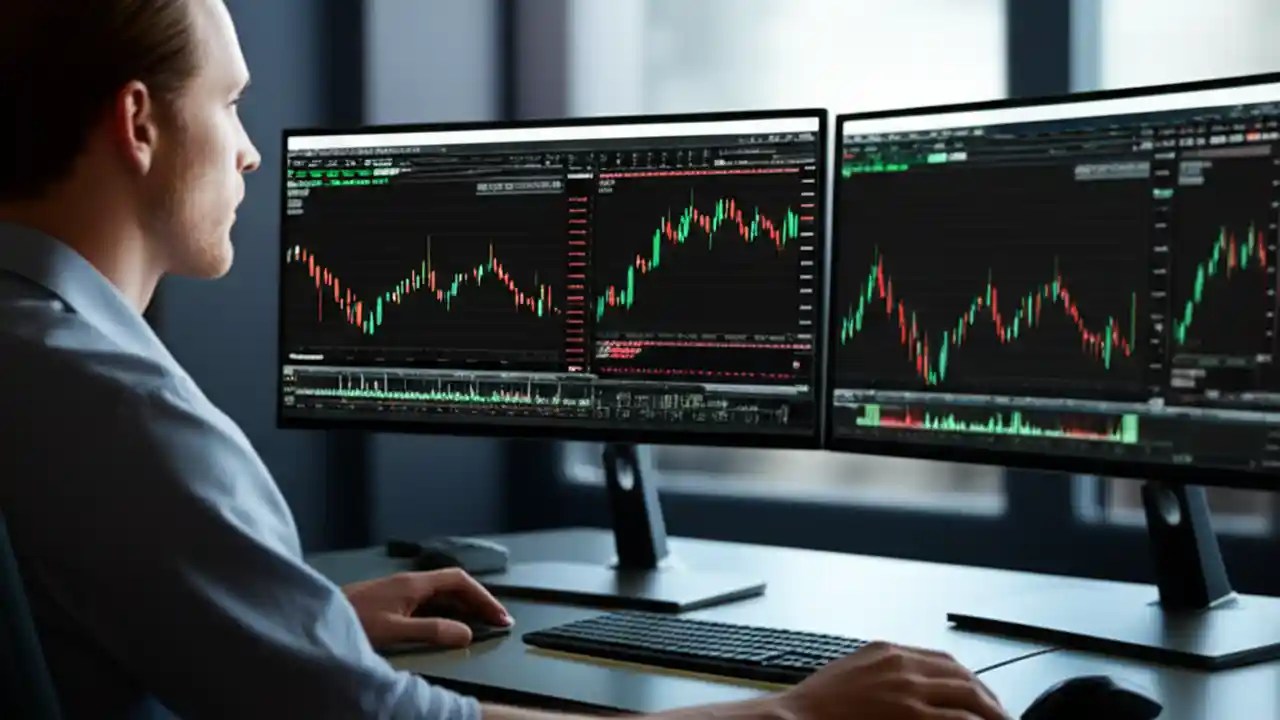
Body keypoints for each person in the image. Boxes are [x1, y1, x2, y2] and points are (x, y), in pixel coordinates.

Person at [0, 1, 1011, 719]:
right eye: (228, 104)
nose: (251, 151)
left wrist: (304, 618)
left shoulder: (33, 351)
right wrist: (795, 719)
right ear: (138, 122)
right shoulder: (115, 405)